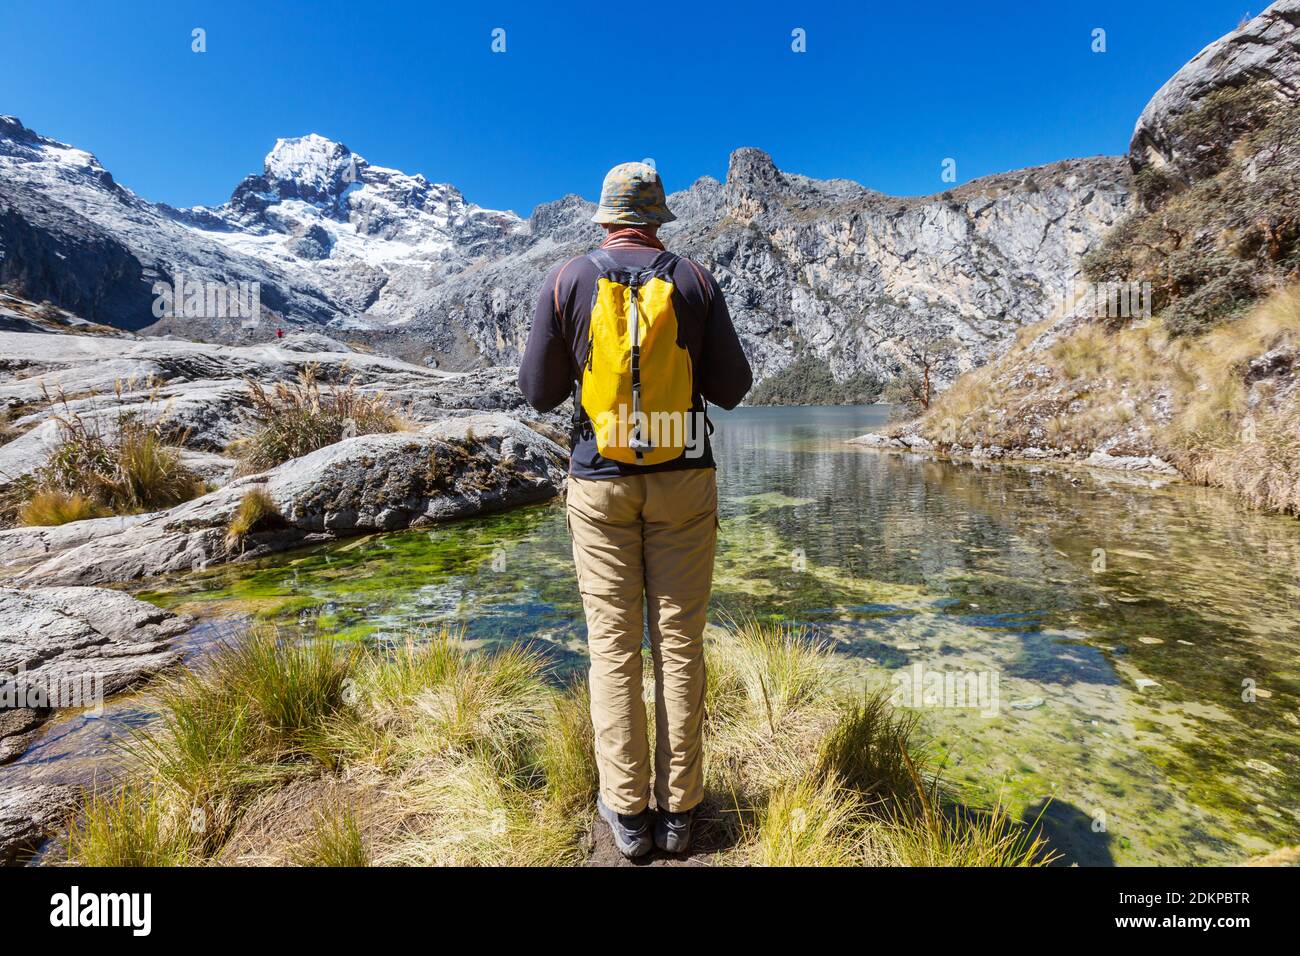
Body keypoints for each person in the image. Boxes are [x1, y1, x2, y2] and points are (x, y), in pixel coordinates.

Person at [518, 161, 751, 857]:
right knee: (679, 644)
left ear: (606, 217)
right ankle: (680, 812)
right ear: (657, 218)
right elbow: (733, 389)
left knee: (614, 649)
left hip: (600, 484)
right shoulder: (694, 278)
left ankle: (628, 814)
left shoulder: (567, 278)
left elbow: (536, 393)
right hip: (682, 479)